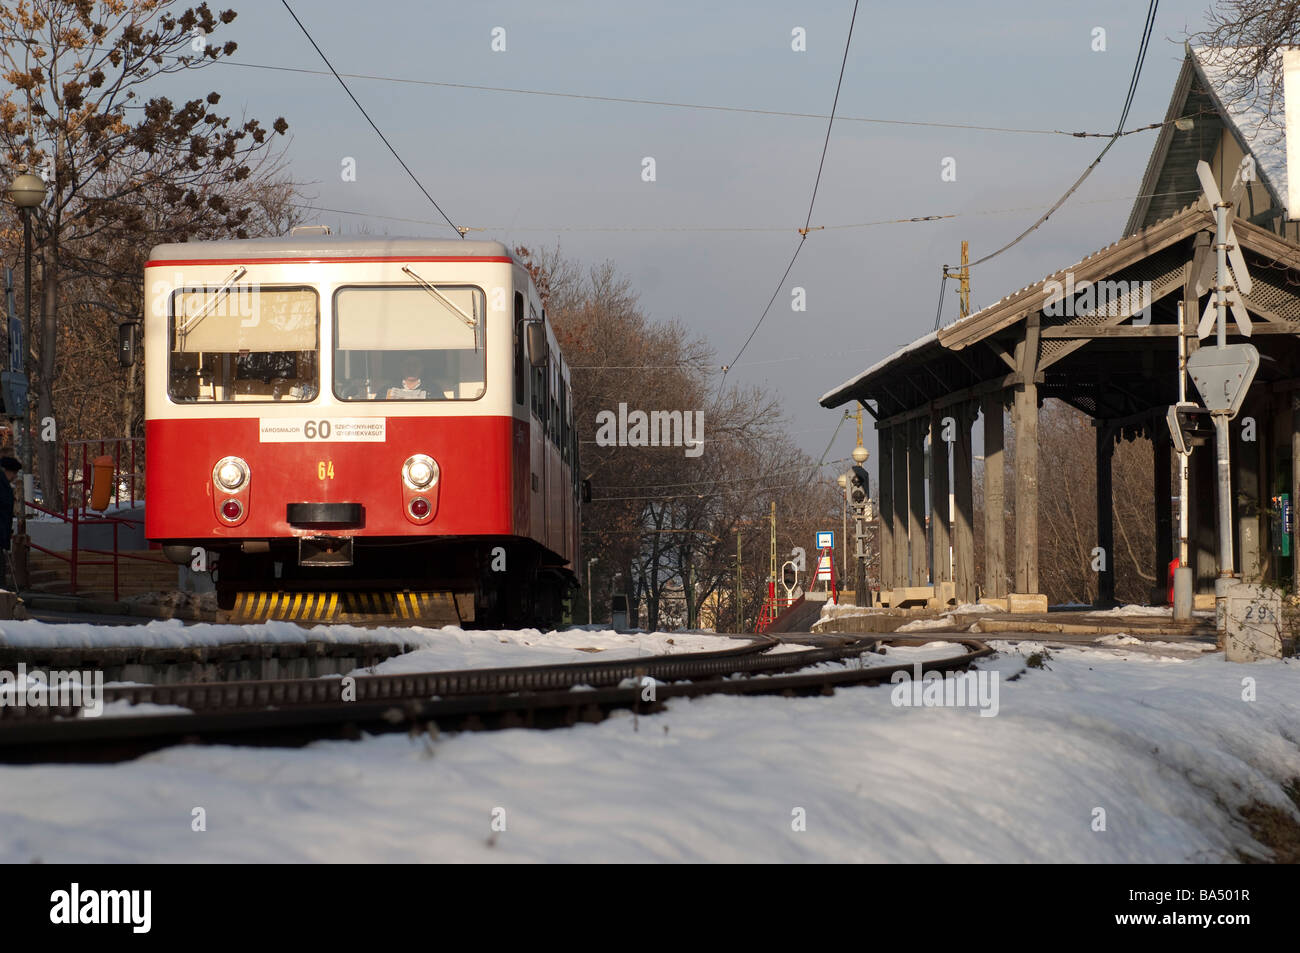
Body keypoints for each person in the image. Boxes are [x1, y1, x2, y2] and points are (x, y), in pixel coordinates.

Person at [0, 456, 20, 590]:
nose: (14, 477)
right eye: (14, 473)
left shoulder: (4, 485)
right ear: (9, 471)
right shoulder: (2, 486)